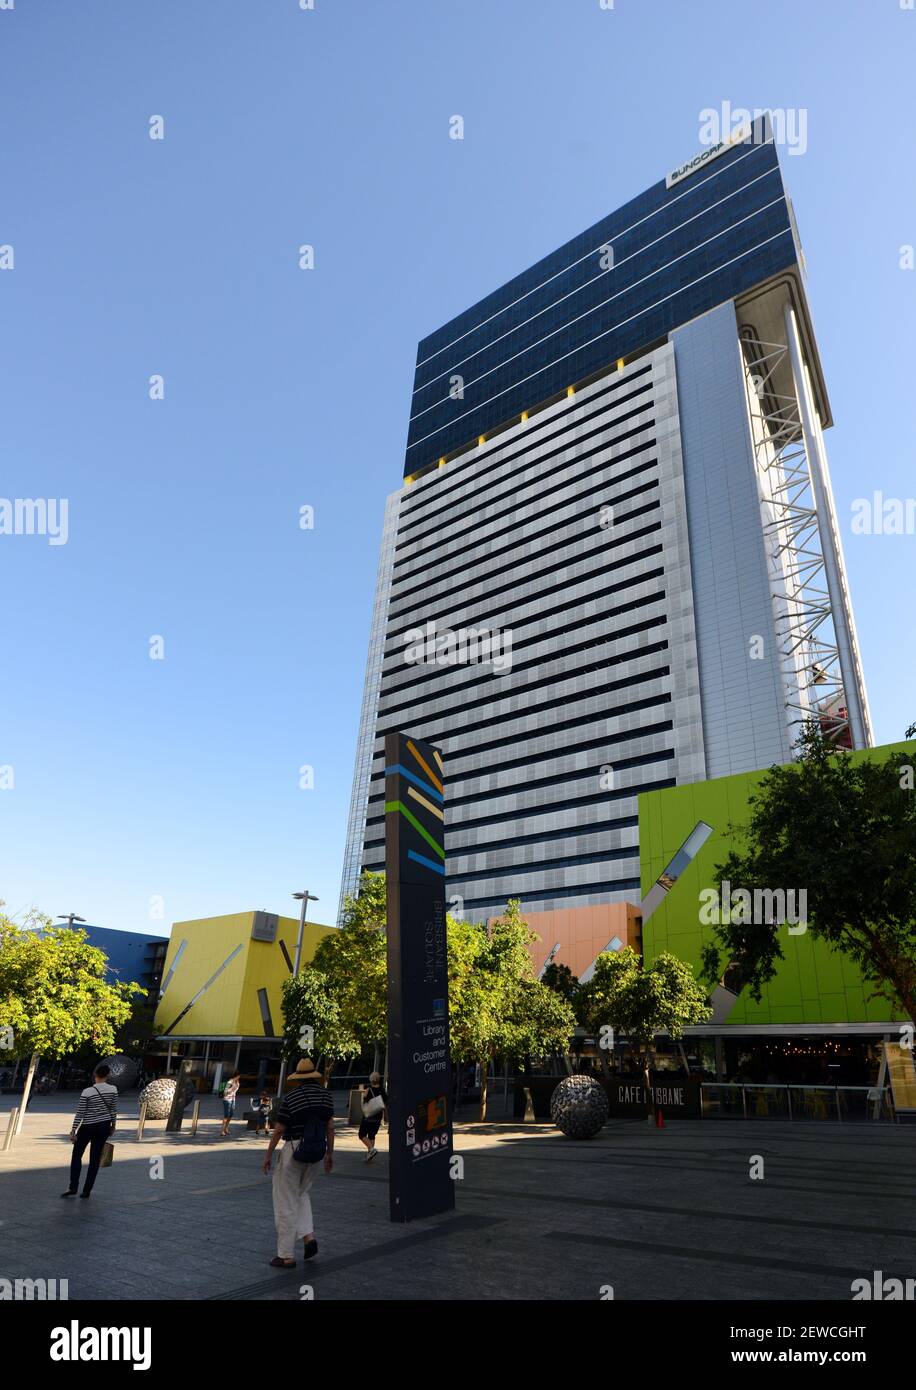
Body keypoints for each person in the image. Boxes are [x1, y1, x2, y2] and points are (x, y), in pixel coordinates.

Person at [262, 1058, 334, 1268]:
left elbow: (279, 1129)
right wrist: (330, 1154)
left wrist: (267, 1155)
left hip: (294, 1152)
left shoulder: (292, 1098)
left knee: (285, 1201)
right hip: (317, 1153)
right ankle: (308, 1236)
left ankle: (285, 1255)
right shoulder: (326, 1097)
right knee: (301, 1194)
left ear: (298, 1078)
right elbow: (330, 1128)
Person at [62, 1063, 117, 1200]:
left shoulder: (87, 1091)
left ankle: (73, 1186)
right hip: (103, 1126)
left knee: (76, 1156)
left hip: (87, 1126)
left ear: (95, 1075)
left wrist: (73, 1130)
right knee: (94, 1159)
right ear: (108, 1075)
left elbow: (80, 1113)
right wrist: (113, 1125)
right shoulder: (113, 1090)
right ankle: (87, 1190)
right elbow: (113, 1109)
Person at [358, 1072, 387, 1162]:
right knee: (372, 1135)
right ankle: (370, 1155)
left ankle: (371, 1149)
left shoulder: (368, 1090)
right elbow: (386, 1102)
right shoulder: (382, 1090)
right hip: (378, 1116)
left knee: (362, 1134)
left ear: (371, 1080)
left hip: (368, 1116)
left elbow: (364, 1102)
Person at [221, 1071, 241, 1136]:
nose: (239, 1077)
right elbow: (225, 1091)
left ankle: (226, 1128)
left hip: (232, 1099)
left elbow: (235, 1091)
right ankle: (222, 1130)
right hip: (227, 1099)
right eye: (238, 1076)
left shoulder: (237, 1082)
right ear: (236, 1076)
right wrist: (231, 1089)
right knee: (226, 1115)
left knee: (231, 1115)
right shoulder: (230, 1082)